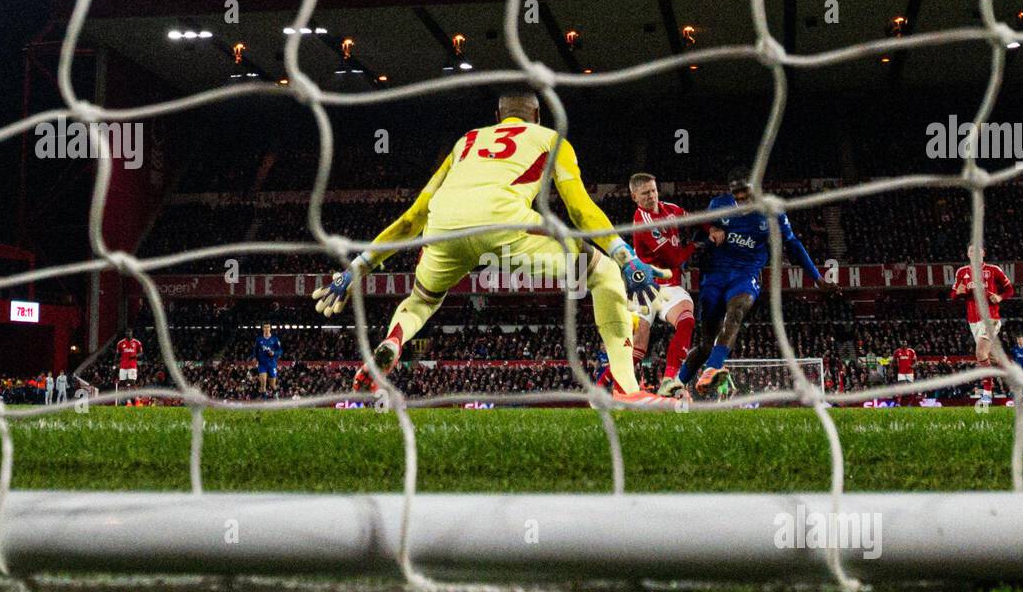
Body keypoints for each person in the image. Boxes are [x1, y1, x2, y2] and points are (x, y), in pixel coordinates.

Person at [312, 90, 674, 406]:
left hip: (444, 225)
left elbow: (412, 218)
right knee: (604, 272)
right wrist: (624, 255)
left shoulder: (465, 141)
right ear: (537, 115)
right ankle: (627, 390)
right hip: (503, 222)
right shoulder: (550, 138)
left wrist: (355, 268)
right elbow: (580, 209)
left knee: (423, 299)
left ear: (497, 118)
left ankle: (395, 339)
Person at [678, 166, 836, 396]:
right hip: (714, 274)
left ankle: (712, 369)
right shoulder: (718, 205)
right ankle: (672, 386)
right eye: (737, 195)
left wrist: (817, 278)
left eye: (746, 194)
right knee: (705, 344)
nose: (742, 199)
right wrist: (707, 235)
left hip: (745, 274)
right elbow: (700, 234)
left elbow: (793, 245)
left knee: (736, 311)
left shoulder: (772, 213)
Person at [627, 172, 700, 397]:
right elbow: (674, 259)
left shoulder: (670, 209)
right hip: (645, 290)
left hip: (669, 288)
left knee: (687, 320)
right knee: (638, 346)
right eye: (645, 193)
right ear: (635, 197)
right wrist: (696, 245)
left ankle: (670, 379)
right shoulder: (642, 220)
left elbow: (695, 219)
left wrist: (713, 229)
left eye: (653, 190)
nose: (651, 196)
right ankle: (611, 389)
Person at [949, 245, 1014, 407]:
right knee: (993, 359)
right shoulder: (962, 272)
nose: (975, 253)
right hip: (973, 320)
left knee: (980, 352)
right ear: (968, 254)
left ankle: (987, 393)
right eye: (972, 251)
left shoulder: (993, 270)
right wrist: (958, 292)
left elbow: (1009, 289)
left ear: (983, 253)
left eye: (978, 250)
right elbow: (952, 296)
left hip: (990, 318)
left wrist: (999, 297)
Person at [255, 322, 283, 398]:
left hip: (272, 364)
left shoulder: (275, 339)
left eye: (268, 327)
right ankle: (265, 402)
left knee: (272, 384)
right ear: (263, 328)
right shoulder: (259, 339)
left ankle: (276, 397)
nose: (266, 329)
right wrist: (255, 358)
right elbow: (256, 351)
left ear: (270, 328)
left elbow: (280, 350)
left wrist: (274, 353)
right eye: (265, 327)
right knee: (263, 382)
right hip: (262, 364)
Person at [116, 328, 143, 403]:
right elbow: (117, 354)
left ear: (132, 333)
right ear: (125, 333)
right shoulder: (120, 343)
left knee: (132, 381)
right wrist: (115, 364)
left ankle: (136, 398)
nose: (128, 333)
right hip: (123, 366)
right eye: (127, 332)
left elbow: (141, 353)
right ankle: (123, 400)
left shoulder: (137, 342)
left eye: (130, 332)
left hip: (132, 365)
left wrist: (135, 356)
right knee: (122, 382)